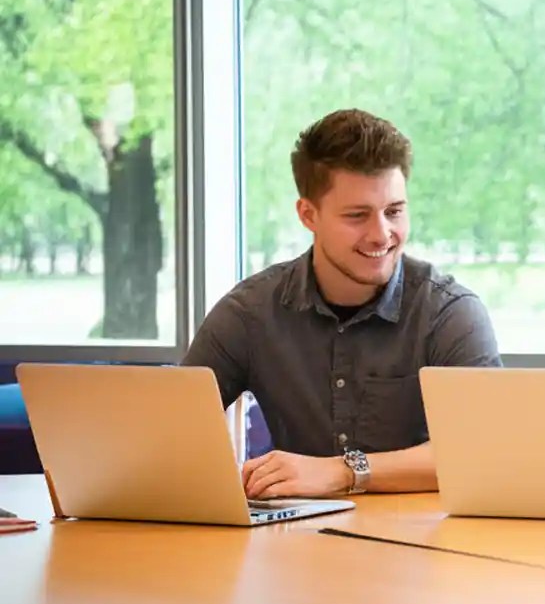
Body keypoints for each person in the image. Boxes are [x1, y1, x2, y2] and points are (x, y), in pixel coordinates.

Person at [183, 109, 501, 500]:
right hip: (296, 546)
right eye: (357, 216)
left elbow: (483, 454)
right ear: (308, 215)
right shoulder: (250, 313)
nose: (382, 235)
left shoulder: (450, 313)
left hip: (425, 549)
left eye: (394, 212)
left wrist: (341, 471)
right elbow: (172, 437)